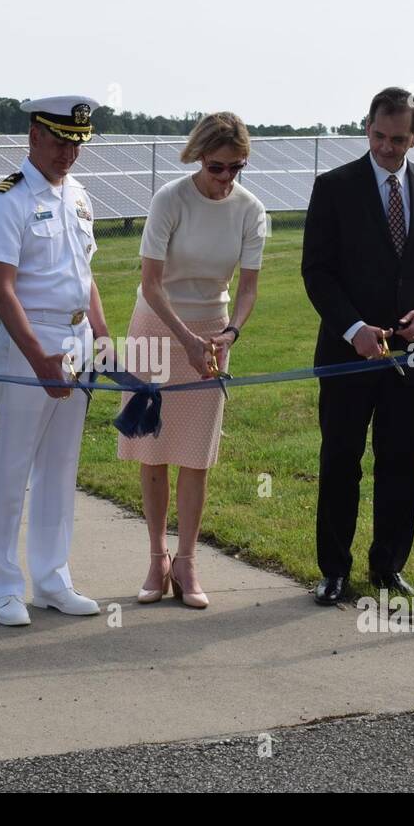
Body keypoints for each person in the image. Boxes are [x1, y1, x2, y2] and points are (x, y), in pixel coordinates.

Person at [300, 87, 414, 605]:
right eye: (379, 136)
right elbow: (317, 272)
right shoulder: (333, 187)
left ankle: (389, 566)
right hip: (347, 356)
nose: (388, 148)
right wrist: (354, 330)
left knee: (403, 459)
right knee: (341, 460)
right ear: (366, 127)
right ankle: (335, 572)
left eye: (399, 139)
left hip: (413, 359)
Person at [118, 112, 266, 609]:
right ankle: (156, 560)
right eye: (217, 166)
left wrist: (230, 333)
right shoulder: (170, 199)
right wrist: (183, 337)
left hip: (211, 333)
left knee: (196, 454)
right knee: (154, 450)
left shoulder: (251, 209)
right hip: (158, 326)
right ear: (200, 157)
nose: (226, 178)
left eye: (236, 167)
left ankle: (187, 562)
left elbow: (247, 287)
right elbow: (151, 281)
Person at [0, 95, 112, 627]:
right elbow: (2, 289)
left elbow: (87, 275)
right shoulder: (6, 200)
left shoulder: (79, 195)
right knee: (13, 469)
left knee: (60, 468)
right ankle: (4, 587)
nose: (68, 154)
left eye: (76, 143)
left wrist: (102, 338)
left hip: (76, 342)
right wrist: (38, 358)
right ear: (34, 135)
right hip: (28, 343)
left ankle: (53, 579)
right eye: (59, 141)